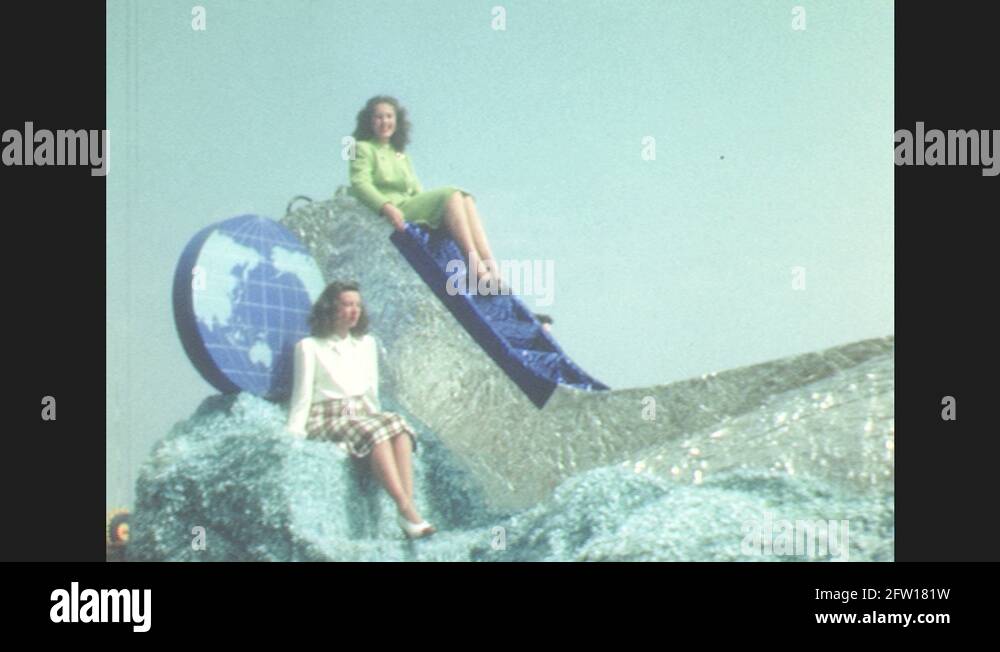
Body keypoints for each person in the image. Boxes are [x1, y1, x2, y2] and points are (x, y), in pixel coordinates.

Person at [286, 281, 435, 539]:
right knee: (375, 430)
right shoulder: (309, 346)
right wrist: (293, 436)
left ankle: (407, 510)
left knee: (397, 425)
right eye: (347, 305)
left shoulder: (367, 344)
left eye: (357, 305)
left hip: (358, 414)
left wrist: (380, 420)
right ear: (331, 309)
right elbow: (302, 397)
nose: (354, 311)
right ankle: (405, 508)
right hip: (326, 417)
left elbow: (370, 392)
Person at [348, 95, 501, 284]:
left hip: (409, 204)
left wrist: (439, 210)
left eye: (389, 116)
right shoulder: (360, 148)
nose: (384, 122)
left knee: (465, 198)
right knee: (450, 194)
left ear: (397, 121)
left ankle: (491, 266)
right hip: (392, 209)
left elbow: (416, 191)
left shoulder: (400, 154)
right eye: (378, 117)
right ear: (369, 121)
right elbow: (360, 183)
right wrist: (386, 207)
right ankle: (475, 267)